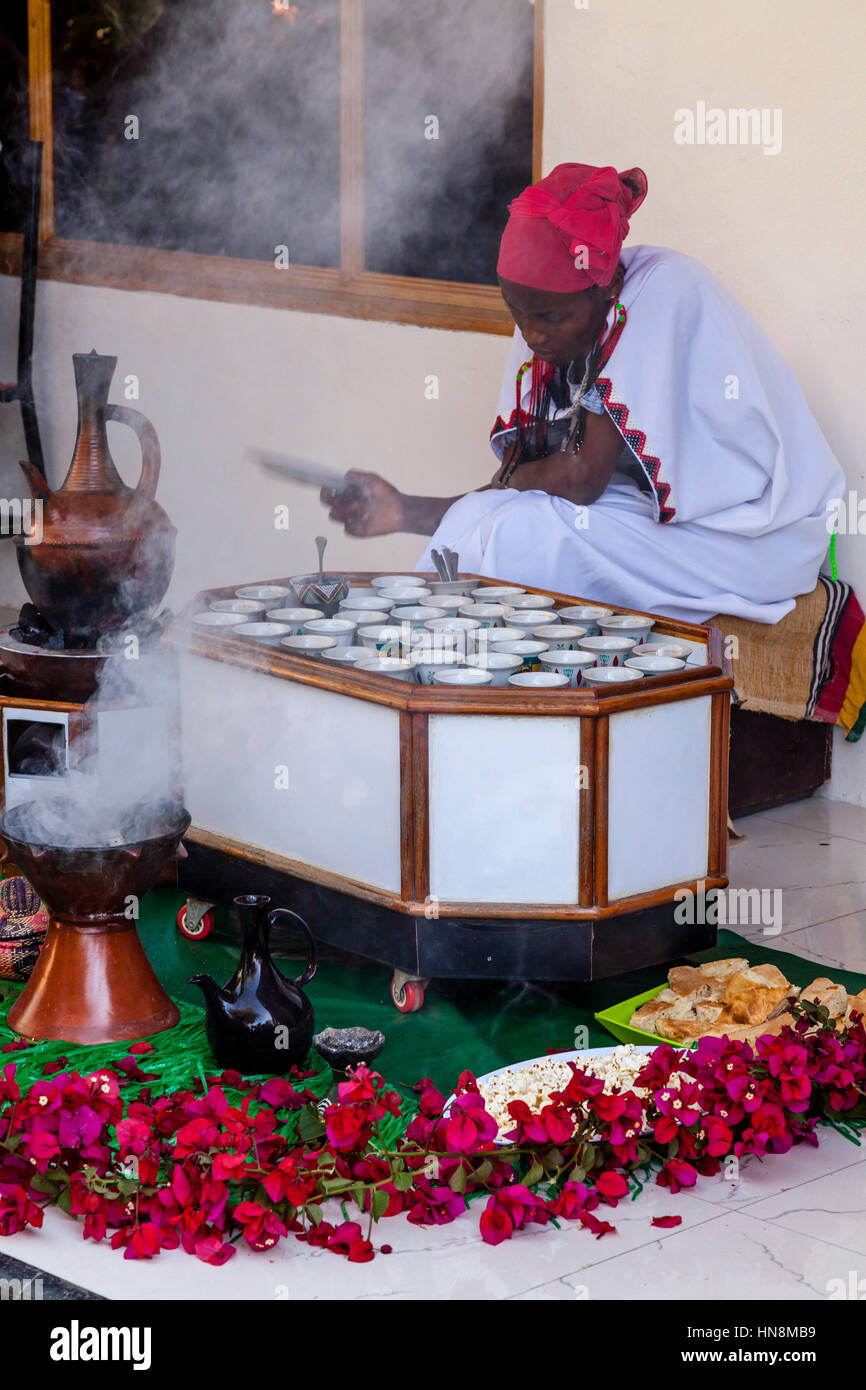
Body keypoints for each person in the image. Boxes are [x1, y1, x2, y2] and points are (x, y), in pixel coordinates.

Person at [322, 162, 844, 624]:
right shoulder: (550, 305)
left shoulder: (664, 291)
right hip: (648, 512)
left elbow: (577, 478)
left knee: (524, 532)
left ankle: (453, 680)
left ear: (608, 285)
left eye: (548, 317)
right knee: (493, 519)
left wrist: (512, 482)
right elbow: (529, 483)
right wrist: (405, 510)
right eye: (516, 313)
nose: (531, 334)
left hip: (750, 538)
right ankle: (429, 669)